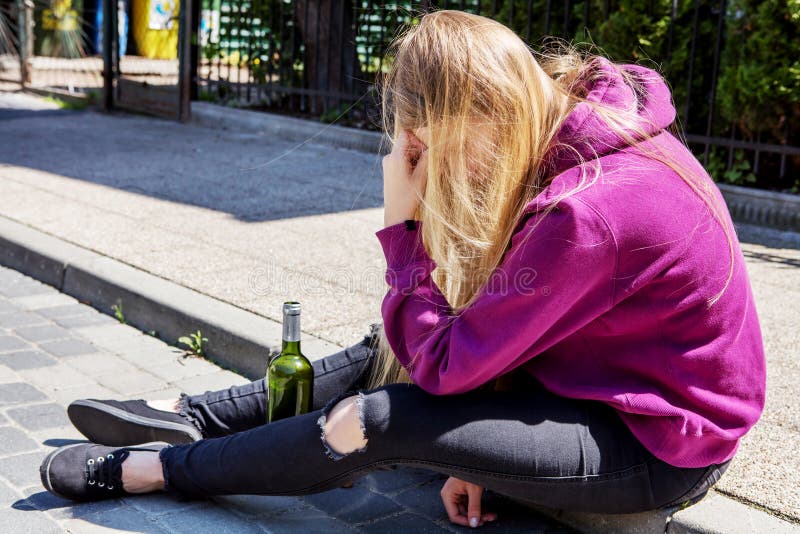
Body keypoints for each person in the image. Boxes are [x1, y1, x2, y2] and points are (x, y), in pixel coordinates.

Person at [39, 9, 765, 528]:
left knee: (376, 419)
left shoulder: (590, 209)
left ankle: (161, 469)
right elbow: (472, 340)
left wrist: (402, 227)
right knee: (390, 345)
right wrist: (485, 451)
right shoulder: (584, 115)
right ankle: (201, 418)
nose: (430, 169)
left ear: (481, 115)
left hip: (657, 447)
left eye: (429, 149)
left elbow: (445, 370)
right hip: (585, 382)